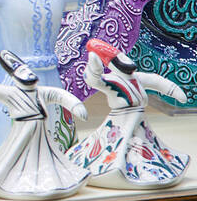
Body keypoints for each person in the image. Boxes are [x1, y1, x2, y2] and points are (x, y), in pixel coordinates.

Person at [67, 39, 190, 189]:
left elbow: (156, 81)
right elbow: (95, 81)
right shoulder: (112, 80)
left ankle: (148, 168)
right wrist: (94, 67)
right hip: (121, 120)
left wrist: (173, 91)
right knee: (122, 145)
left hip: (139, 118)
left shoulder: (137, 78)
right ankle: (122, 169)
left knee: (142, 143)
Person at [0, 50, 89, 200]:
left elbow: (58, 95)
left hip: (41, 132)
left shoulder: (41, 92)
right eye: (23, 72)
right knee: (16, 157)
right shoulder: (12, 93)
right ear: (15, 77)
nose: (29, 74)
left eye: (28, 70)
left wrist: (75, 105)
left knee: (47, 157)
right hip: (22, 131)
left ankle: (50, 179)